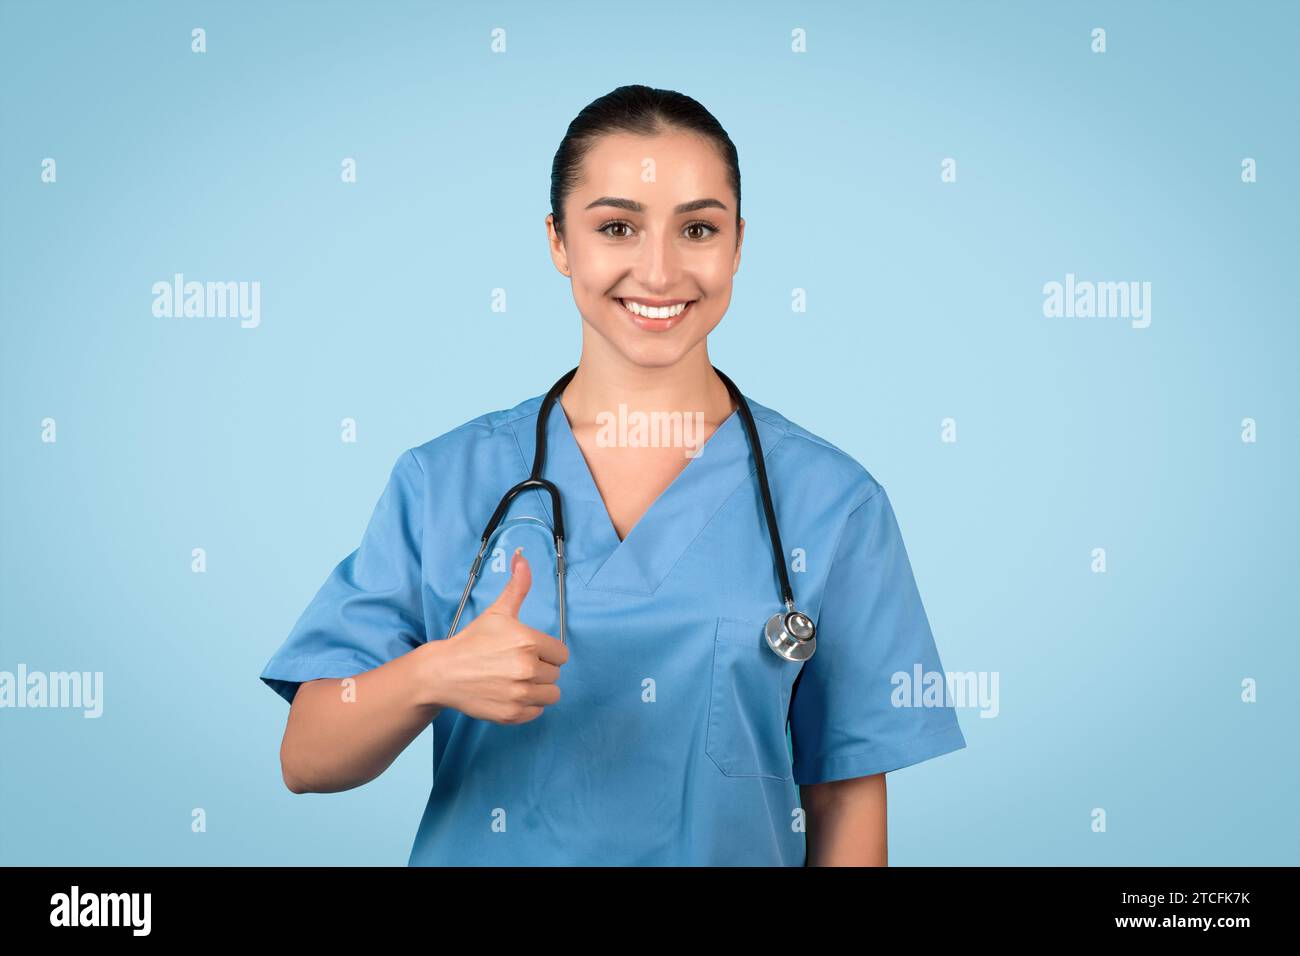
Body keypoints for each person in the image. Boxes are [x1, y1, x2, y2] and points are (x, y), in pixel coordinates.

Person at [260, 84, 966, 866]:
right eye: (617, 227)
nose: (658, 271)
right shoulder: (446, 481)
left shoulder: (834, 504)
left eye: (697, 228)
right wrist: (432, 674)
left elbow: (845, 798)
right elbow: (307, 759)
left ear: (737, 245)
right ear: (560, 242)